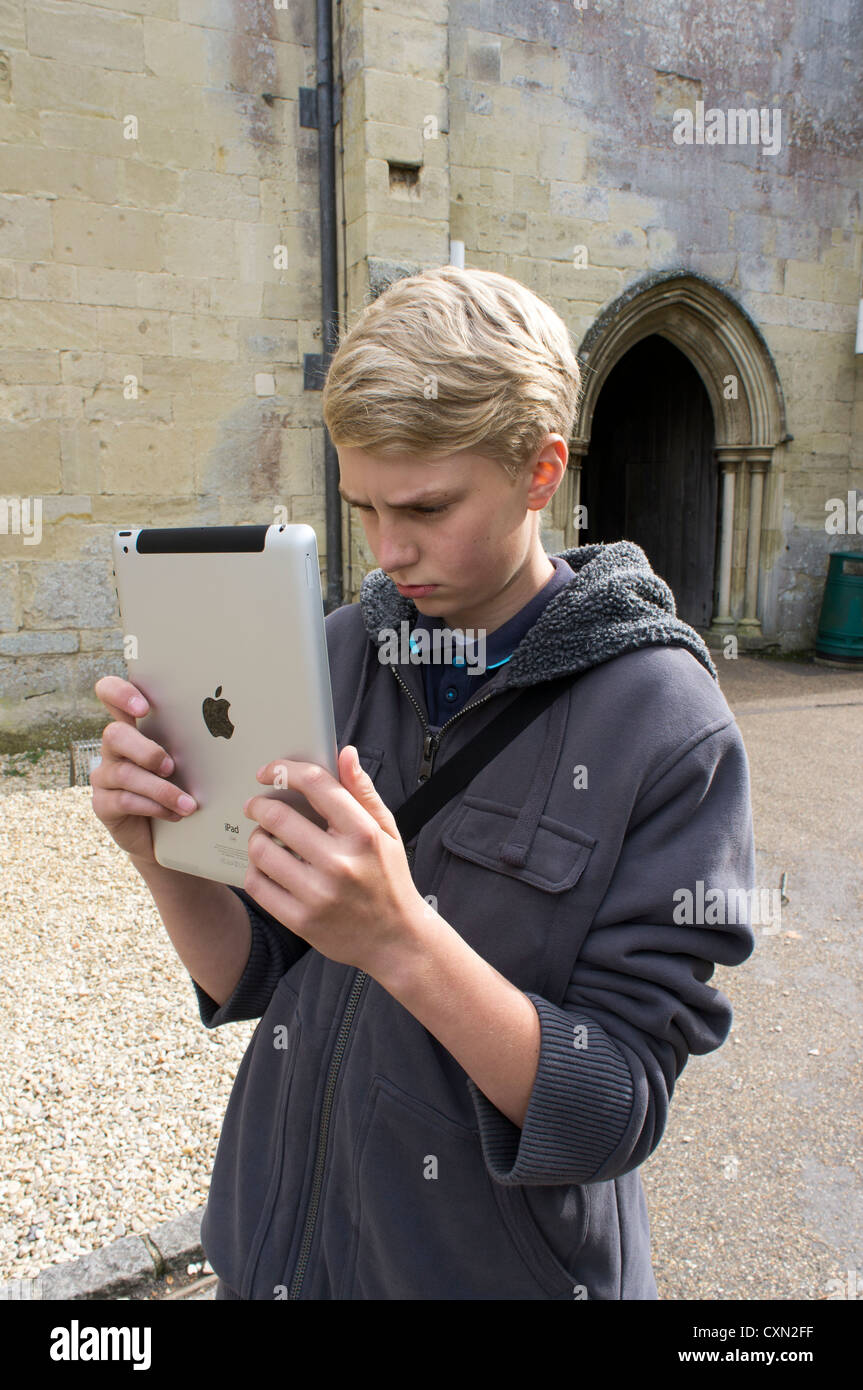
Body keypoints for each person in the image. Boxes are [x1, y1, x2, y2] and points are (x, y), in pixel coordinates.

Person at [92, 265, 756, 1300]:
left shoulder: (668, 728)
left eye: (426, 507)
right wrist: (163, 854)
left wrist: (401, 941)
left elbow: (613, 1108)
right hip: (276, 1259)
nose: (389, 551)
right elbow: (258, 972)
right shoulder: (339, 652)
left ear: (541, 471)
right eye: (361, 507)